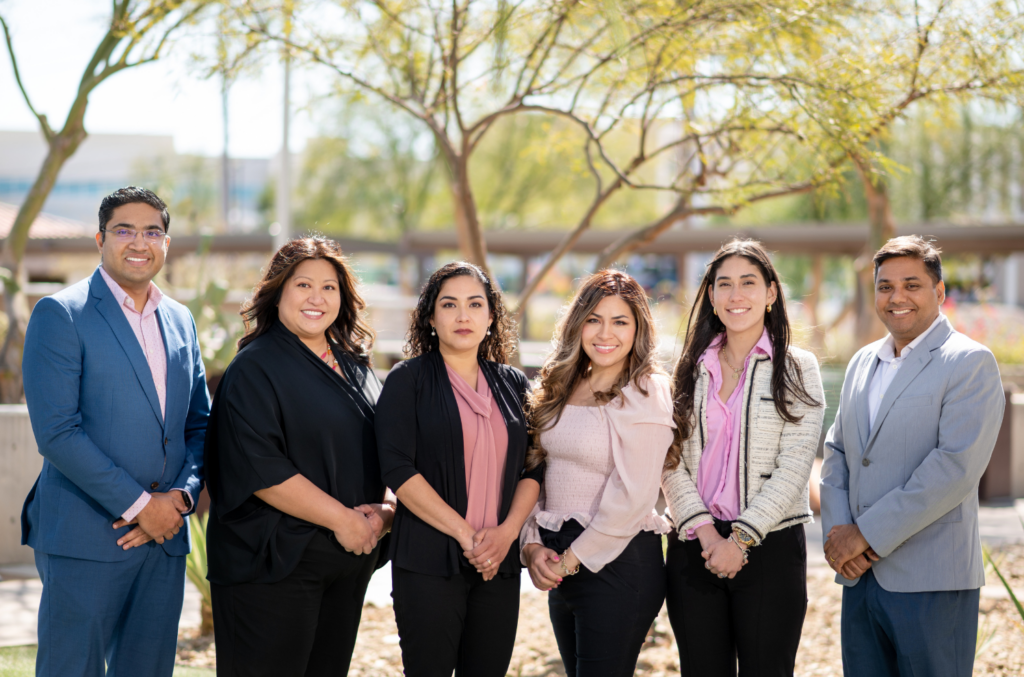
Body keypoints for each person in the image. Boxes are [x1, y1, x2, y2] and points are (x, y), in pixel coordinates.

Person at [20, 186, 210, 677]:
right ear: (101, 239)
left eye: (153, 232)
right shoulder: (62, 313)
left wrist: (180, 502)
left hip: (165, 537)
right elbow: (58, 432)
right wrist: (141, 506)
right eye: (125, 230)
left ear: (166, 244)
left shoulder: (180, 319)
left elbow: (199, 424)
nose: (139, 242)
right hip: (87, 534)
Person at [203, 237, 393, 677]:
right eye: (303, 284)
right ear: (278, 291)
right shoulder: (255, 367)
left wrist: (385, 513)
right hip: (272, 564)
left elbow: (387, 448)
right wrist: (344, 521)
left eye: (329, 287)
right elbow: (260, 467)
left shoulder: (355, 364)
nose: (316, 297)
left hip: (345, 562)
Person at [820, 235, 1005, 677]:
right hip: (859, 577)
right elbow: (837, 449)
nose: (896, 297)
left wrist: (863, 536)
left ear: (939, 292)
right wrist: (840, 537)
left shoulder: (970, 363)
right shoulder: (862, 361)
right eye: (885, 286)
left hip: (932, 579)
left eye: (911, 285)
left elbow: (953, 469)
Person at [661, 239, 824, 677]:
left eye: (749, 283)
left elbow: (795, 465)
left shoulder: (797, 368)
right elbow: (669, 458)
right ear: (710, 296)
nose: (736, 296)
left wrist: (740, 540)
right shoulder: (688, 367)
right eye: (724, 285)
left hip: (769, 547)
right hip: (695, 544)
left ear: (771, 293)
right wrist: (709, 537)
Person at [376, 261, 541, 677]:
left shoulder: (515, 384)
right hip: (428, 563)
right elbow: (396, 467)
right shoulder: (407, 380)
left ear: (491, 316)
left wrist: (505, 536)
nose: (463, 315)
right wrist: (467, 535)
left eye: (474, 304)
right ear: (431, 318)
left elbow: (534, 469)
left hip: (498, 563)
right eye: (449, 305)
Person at [520, 270, 675, 677]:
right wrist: (532, 547)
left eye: (620, 321)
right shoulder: (561, 385)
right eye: (594, 319)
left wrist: (570, 561)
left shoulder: (646, 390)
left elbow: (636, 495)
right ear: (578, 323)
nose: (606, 333)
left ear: (638, 328)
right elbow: (539, 472)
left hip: (617, 564)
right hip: (558, 559)